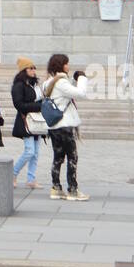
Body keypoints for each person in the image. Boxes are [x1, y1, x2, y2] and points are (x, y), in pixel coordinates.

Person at [43, 54, 89, 201]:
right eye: (66, 64)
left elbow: (66, 94)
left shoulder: (48, 82)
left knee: (58, 157)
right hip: (64, 125)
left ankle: (56, 188)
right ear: (61, 65)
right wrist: (81, 78)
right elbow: (81, 93)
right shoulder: (61, 83)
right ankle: (73, 190)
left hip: (54, 126)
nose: (68, 66)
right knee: (72, 157)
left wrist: (73, 81)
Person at [11, 56, 43, 187]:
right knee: (29, 151)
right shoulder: (18, 85)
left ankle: (31, 179)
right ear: (24, 70)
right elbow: (19, 104)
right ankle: (12, 174)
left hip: (37, 122)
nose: (33, 70)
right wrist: (38, 106)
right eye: (30, 68)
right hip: (26, 121)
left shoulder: (33, 85)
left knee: (35, 153)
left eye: (34, 67)